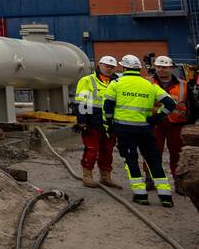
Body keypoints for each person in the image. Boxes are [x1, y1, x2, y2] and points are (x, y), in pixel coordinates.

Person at [103, 54, 177, 207]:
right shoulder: (149, 85)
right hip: (145, 129)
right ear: (138, 69)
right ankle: (165, 195)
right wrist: (157, 118)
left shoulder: (116, 83)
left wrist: (109, 124)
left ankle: (140, 194)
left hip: (124, 129)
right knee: (153, 160)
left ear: (124, 67)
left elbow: (108, 106)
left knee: (131, 160)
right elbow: (170, 103)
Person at [74, 55, 122, 188]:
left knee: (108, 150)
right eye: (106, 66)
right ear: (99, 65)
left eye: (112, 67)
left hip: (110, 123)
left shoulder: (117, 82)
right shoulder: (87, 80)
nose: (109, 69)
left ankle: (105, 177)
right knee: (92, 150)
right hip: (92, 122)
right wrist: (82, 122)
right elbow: (82, 102)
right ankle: (87, 176)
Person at [150, 55, 189, 179]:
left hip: (176, 124)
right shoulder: (148, 83)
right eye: (159, 67)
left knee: (177, 153)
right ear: (155, 67)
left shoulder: (183, 85)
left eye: (165, 67)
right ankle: (151, 178)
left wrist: (189, 122)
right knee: (153, 152)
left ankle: (178, 179)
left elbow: (192, 106)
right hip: (155, 123)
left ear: (171, 68)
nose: (162, 69)